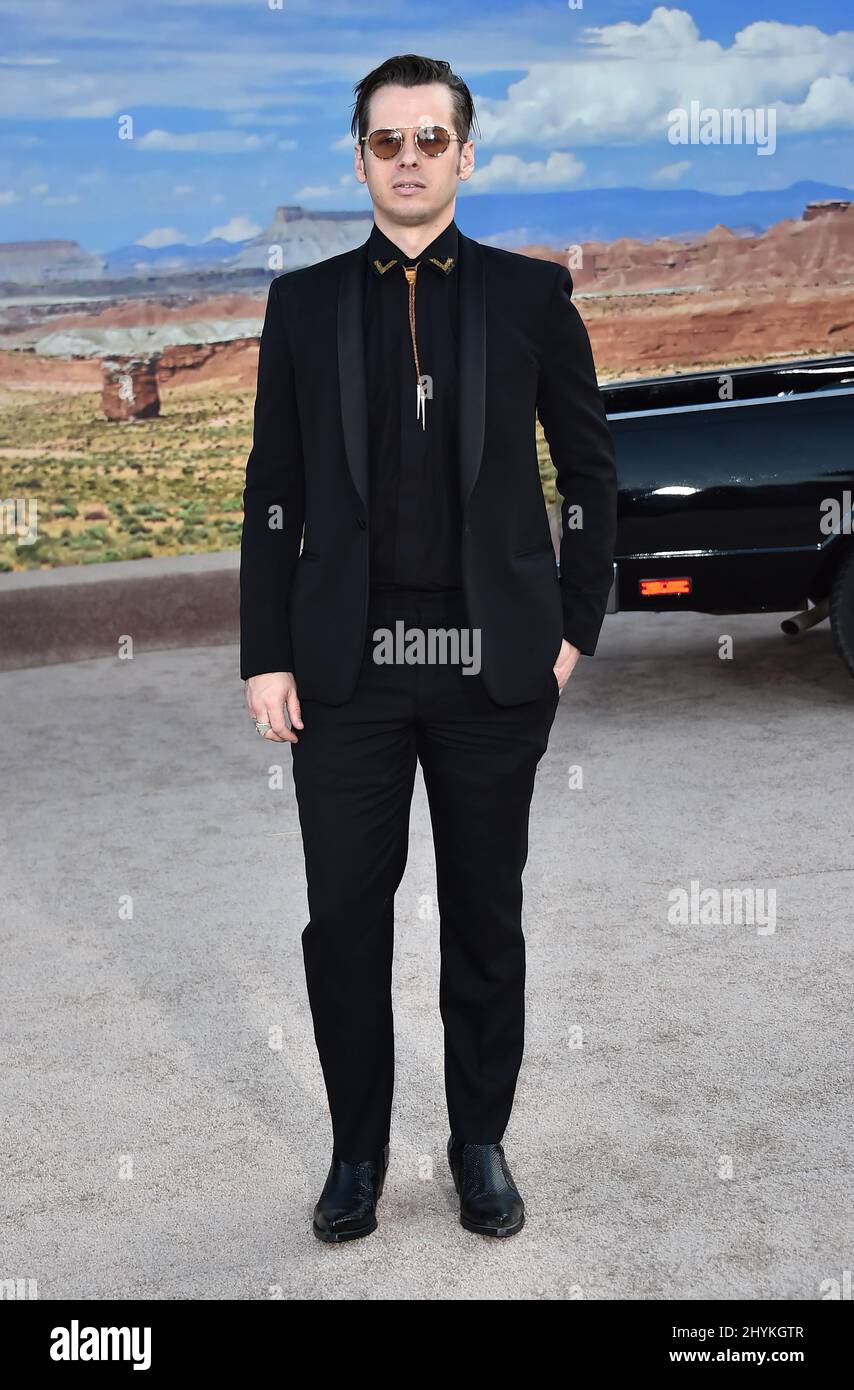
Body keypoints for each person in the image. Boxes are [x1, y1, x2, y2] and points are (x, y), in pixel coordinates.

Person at [240, 53, 618, 1241]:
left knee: (482, 915)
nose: (408, 159)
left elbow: (590, 477)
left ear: (465, 154)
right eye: (386, 141)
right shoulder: (300, 307)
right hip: (343, 668)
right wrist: (266, 652)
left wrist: (570, 632)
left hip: (489, 664)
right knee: (342, 918)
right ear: (359, 159)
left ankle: (477, 1144)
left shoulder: (530, 297)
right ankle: (355, 1153)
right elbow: (273, 490)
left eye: (429, 140)